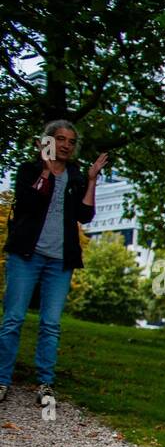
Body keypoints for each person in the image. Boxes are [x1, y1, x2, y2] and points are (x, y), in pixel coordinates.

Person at [0, 120, 106, 406]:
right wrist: (46, 169)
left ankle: (45, 384)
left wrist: (92, 179)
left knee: (51, 324)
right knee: (13, 319)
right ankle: (2, 379)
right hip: (26, 255)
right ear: (47, 141)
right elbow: (29, 203)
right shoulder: (29, 170)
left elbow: (85, 216)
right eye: (60, 139)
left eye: (71, 141)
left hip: (60, 260)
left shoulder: (75, 176)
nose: (66, 145)